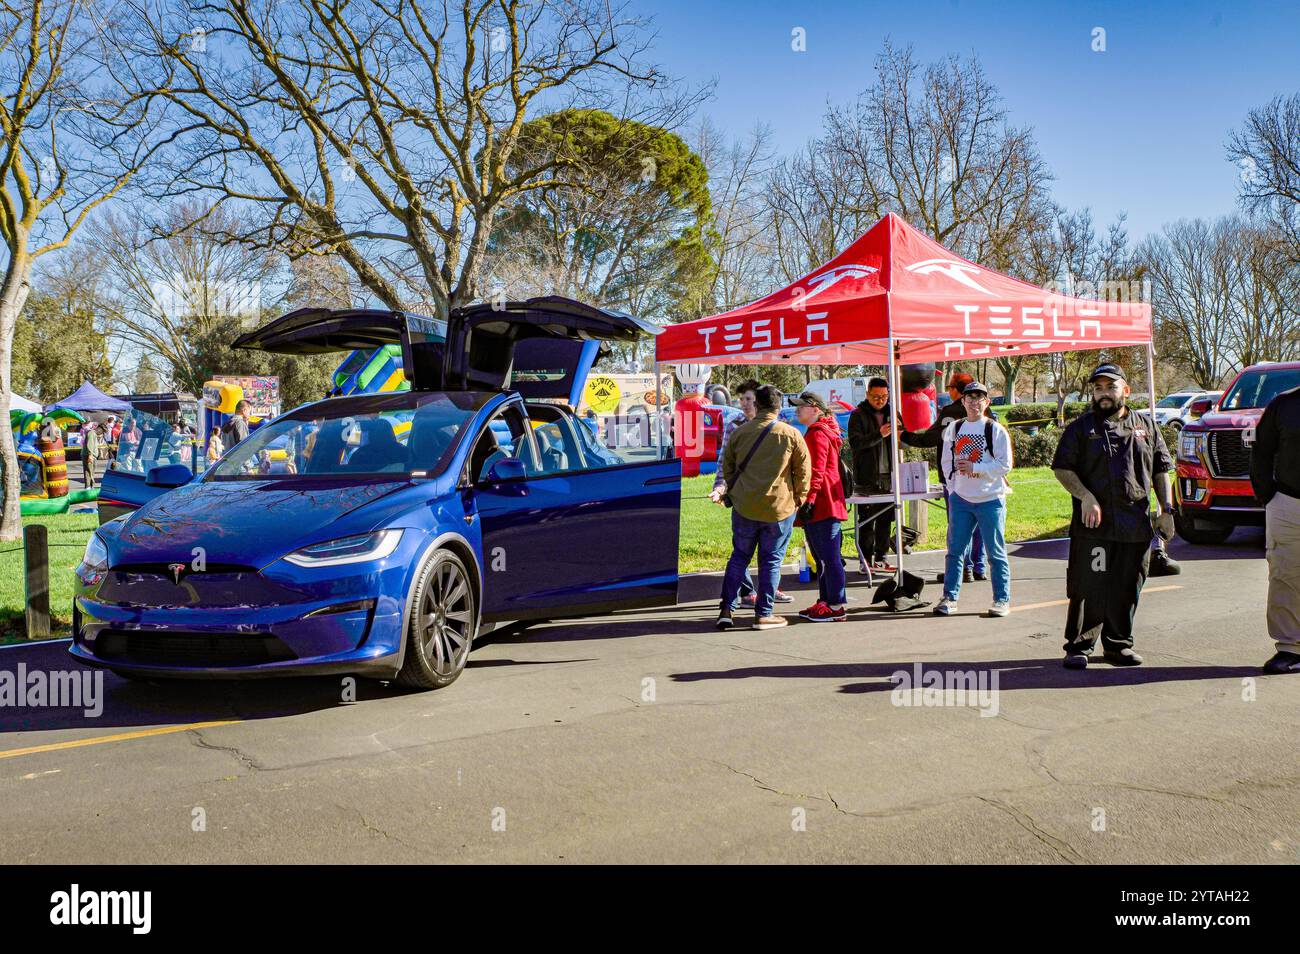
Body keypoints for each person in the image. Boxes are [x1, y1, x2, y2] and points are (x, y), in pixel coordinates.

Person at [1052, 363, 1175, 669]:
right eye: (1098, 388)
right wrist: (1086, 496)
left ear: (1126, 390)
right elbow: (1062, 468)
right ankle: (1079, 646)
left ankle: (1118, 645)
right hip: (1094, 527)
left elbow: (1162, 469)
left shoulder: (1146, 426)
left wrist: (1167, 511)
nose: (1103, 394)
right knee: (1089, 586)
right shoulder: (1081, 429)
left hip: (1135, 526)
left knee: (1127, 586)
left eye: (1110, 387)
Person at [716, 384, 810, 631]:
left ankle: (727, 609)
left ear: (756, 404)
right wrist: (798, 499)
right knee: (771, 561)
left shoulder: (740, 433)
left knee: (739, 557)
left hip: (745, 506)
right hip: (779, 509)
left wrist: (735, 494)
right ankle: (764, 614)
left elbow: (728, 468)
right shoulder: (791, 434)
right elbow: (803, 473)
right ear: (779, 407)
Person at [932, 382, 1013, 617]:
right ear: (962, 402)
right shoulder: (954, 429)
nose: (974, 403)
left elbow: (1004, 465)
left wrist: (975, 467)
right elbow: (946, 461)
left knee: (995, 552)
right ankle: (949, 597)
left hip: (991, 499)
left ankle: (1001, 599)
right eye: (969, 398)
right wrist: (953, 487)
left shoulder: (995, 429)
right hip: (961, 500)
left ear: (986, 402)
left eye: (979, 398)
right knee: (955, 551)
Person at [902, 371, 992, 583]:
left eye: (950, 387)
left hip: (956, 478)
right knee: (979, 524)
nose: (947, 391)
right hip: (983, 477)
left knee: (960, 524)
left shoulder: (950, 413)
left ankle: (965, 568)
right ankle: (979, 566)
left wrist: (903, 435)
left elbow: (931, 438)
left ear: (959, 392)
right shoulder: (989, 415)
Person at [709, 379, 793, 608]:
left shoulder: (781, 425)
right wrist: (721, 487)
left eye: (750, 400)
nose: (745, 404)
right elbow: (725, 462)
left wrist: (796, 498)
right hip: (744, 497)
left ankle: (757, 596)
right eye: (742, 399)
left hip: (774, 499)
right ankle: (751, 598)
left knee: (767, 554)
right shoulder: (733, 425)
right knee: (744, 552)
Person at [1248, 383, 1300, 674]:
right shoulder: (1283, 404)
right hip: (1289, 503)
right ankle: (1291, 648)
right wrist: (1268, 496)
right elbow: (1262, 450)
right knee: (1285, 576)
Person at [792, 392, 849, 622]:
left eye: (801, 406)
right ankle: (826, 601)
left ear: (815, 409)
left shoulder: (817, 434)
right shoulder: (824, 430)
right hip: (826, 502)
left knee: (828, 558)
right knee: (824, 557)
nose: (797, 410)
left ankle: (836, 606)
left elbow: (816, 471)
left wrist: (810, 500)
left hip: (823, 503)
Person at [848, 377, 901, 573]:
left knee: (886, 519)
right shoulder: (858, 415)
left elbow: (902, 441)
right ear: (867, 394)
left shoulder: (892, 413)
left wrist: (899, 432)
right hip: (867, 478)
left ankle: (882, 557)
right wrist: (879, 434)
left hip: (889, 475)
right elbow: (855, 443)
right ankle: (865, 560)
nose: (880, 400)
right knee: (867, 521)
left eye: (884, 396)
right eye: (876, 396)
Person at [81, 422, 99, 488]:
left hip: (87, 454)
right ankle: (89, 487)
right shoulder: (91, 432)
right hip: (89, 454)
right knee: (89, 472)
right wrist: (90, 455)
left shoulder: (89, 432)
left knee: (88, 471)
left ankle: (89, 487)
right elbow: (90, 444)